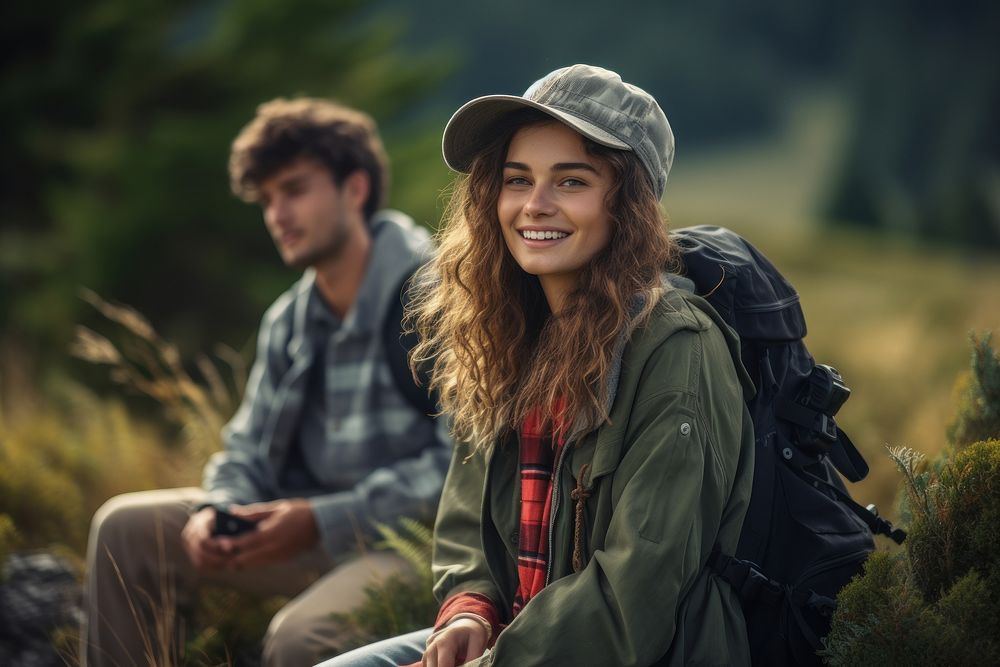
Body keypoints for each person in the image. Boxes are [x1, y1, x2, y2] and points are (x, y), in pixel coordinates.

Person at [318, 64, 756, 667]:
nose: (535, 205)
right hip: (511, 642)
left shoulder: (677, 348)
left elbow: (636, 595)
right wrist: (469, 608)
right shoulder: (507, 331)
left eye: (571, 182)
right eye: (517, 179)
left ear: (626, 204)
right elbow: (467, 514)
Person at [81, 98, 452, 667]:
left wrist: (322, 519)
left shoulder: (438, 301)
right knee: (125, 531)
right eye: (267, 199)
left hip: (409, 545)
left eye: (294, 189)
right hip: (298, 535)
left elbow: (460, 470)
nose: (277, 213)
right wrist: (222, 511)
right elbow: (245, 450)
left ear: (354, 189)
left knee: (299, 639)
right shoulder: (290, 320)